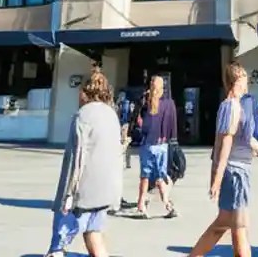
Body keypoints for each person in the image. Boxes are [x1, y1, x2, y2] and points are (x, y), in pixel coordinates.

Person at [186, 63, 258, 257]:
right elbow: (223, 144)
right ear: (237, 79)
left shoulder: (241, 105)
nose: (247, 83)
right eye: (245, 78)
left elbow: (247, 137)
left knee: (226, 225)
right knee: (238, 227)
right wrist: (216, 178)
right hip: (235, 172)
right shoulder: (230, 106)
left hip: (239, 170)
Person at [45, 69, 122, 257]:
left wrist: (68, 194)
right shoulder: (112, 115)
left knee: (58, 245)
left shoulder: (83, 115)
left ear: (86, 92)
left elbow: (77, 157)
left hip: (82, 192)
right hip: (105, 190)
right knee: (94, 234)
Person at [128, 74, 178, 219]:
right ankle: (168, 205)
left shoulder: (145, 101)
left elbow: (138, 121)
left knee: (145, 176)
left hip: (147, 144)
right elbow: (172, 124)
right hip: (162, 144)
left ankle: (141, 205)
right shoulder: (169, 103)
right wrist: (172, 139)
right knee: (160, 176)